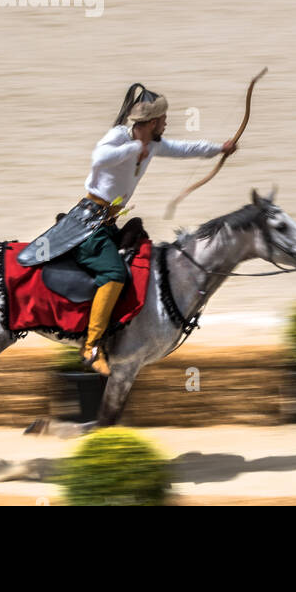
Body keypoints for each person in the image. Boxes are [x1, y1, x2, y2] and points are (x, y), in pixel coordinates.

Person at [73, 84, 236, 374]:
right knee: (113, 273)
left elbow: (185, 148)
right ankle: (91, 345)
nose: (166, 123)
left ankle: (121, 331)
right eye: (163, 120)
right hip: (89, 220)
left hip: (108, 220)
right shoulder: (119, 137)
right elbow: (98, 158)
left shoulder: (154, 145)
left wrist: (219, 149)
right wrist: (137, 147)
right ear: (150, 123)